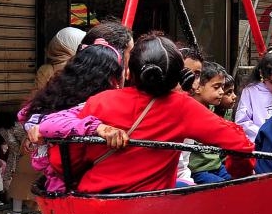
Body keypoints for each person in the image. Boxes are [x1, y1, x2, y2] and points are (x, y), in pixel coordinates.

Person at [67, 33, 255, 192]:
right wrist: (239, 174)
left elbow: (65, 159)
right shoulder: (182, 107)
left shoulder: (99, 101)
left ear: (128, 72)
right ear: (180, 76)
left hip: (92, 202)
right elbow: (239, 143)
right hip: (152, 208)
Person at [19, 40, 129, 193]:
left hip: (58, 186)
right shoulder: (90, 106)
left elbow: (27, 115)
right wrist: (98, 127)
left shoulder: (61, 98)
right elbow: (46, 123)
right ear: (113, 79)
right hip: (72, 188)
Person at [182, 62, 234, 184]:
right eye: (216, 87)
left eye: (222, 87)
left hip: (217, 166)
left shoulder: (214, 110)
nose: (221, 92)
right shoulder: (189, 111)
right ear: (198, 87)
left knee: (239, 185)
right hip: (198, 171)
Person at [235, 49, 272, 141]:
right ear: (262, 74)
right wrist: (265, 134)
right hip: (260, 141)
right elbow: (242, 122)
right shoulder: (250, 91)